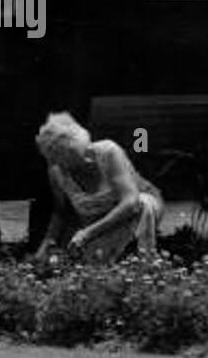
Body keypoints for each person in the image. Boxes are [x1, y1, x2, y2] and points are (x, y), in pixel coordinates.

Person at [34, 112, 163, 263]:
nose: (61, 168)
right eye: (53, 159)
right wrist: (46, 244)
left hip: (134, 213)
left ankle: (145, 262)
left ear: (78, 155)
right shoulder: (56, 170)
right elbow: (61, 212)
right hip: (98, 223)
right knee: (82, 263)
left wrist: (87, 233)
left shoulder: (108, 152)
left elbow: (131, 202)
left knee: (143, 203)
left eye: (64, 160)